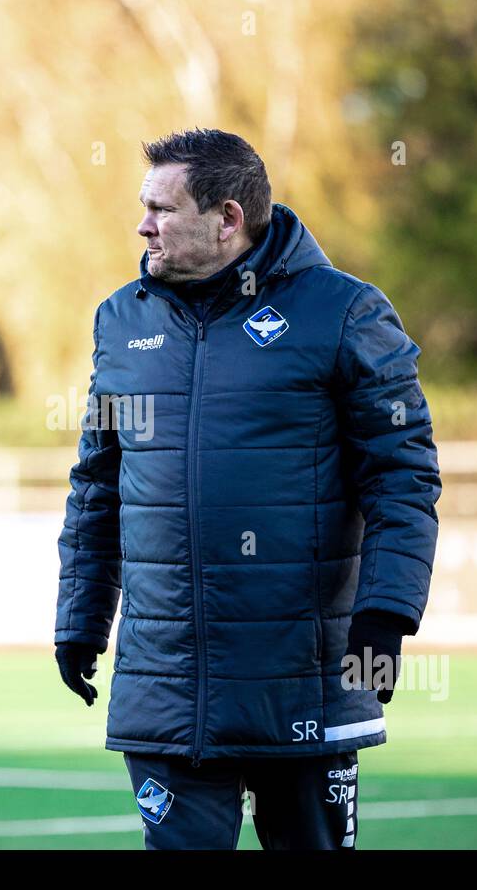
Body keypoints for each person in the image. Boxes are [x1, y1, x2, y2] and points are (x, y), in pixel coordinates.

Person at [53, 128, 441, 850]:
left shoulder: (345, 314)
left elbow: (402, 477)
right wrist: (80, 617)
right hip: (166, 691)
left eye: (162, 209)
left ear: (228, 219)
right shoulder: (121, 321)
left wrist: (385, 616)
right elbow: (98, 486)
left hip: (306, 682)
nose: (143, 225)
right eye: (144, 207)